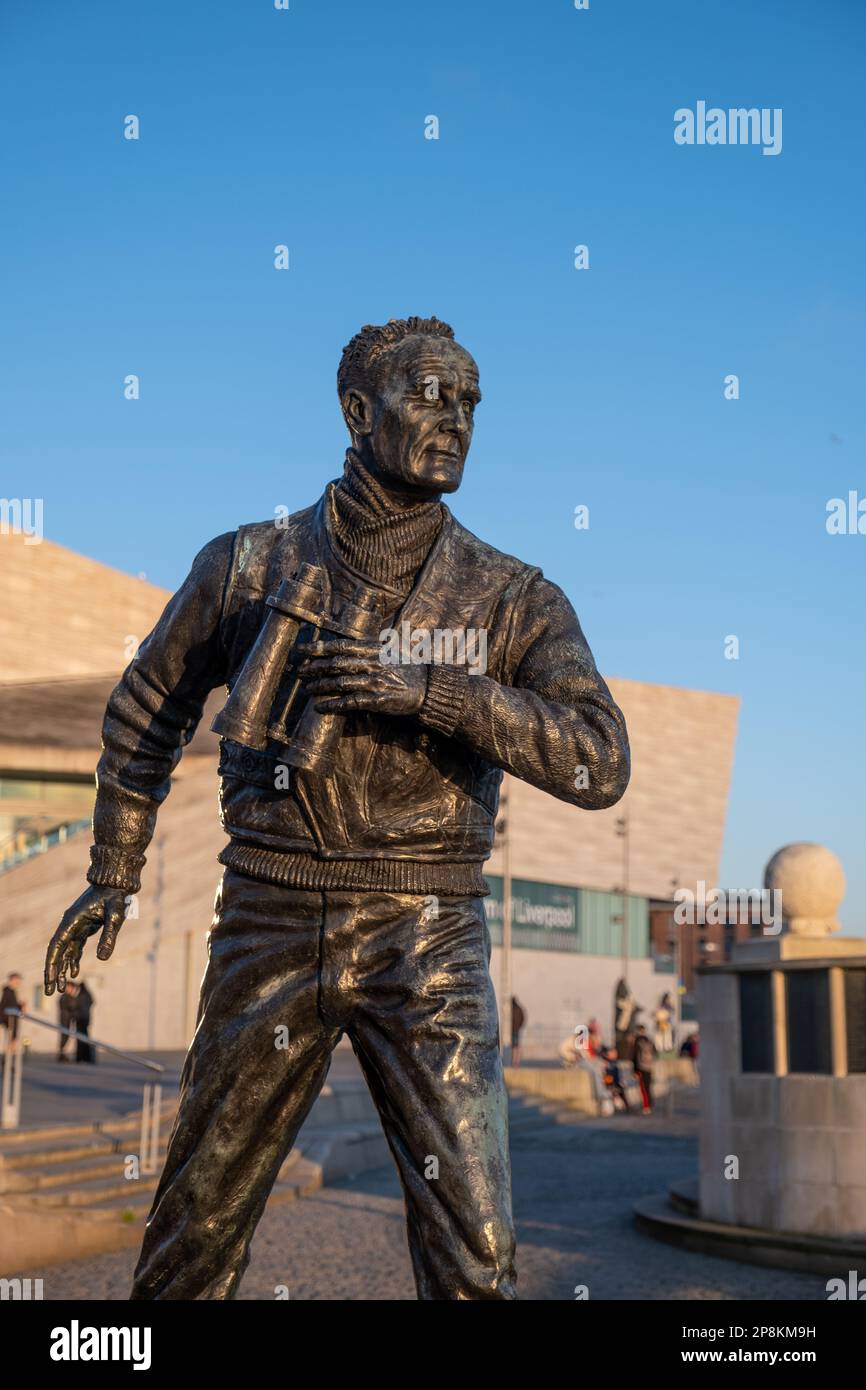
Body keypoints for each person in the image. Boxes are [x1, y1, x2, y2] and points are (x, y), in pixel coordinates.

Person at [44, 315, 630, 1302]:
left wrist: (431, 693)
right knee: (198, 1226)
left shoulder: (508, 596)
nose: (457, 419)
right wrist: (113, 867)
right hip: (270, 913)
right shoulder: (247, 564)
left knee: (473, 1252)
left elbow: (599, 759)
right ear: (357, 411)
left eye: (471, 401)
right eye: (430, 395)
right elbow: (146, 707)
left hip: (428, 926)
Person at [633, 1024, 657, 1114]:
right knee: (648, 1086)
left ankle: (646, 1106)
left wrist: (635, 1070)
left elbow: (635, 1056)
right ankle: (650, 1104)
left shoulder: (637, 1041)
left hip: (641, 1067)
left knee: (643, 1088)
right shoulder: (649, 1040)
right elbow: (655, 1052)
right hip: (649, 1066)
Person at [0, 972, 26, 1054]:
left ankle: (9, 1063)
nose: (18, 983)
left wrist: (20, 1006)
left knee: (13, 1043)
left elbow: (12, 1006)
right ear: (12, 980)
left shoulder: (11, 992)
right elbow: (4, 1007)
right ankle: (8, 1063)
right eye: (17, 981)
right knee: (10, 1044)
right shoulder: (7, 991)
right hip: (9, 1021)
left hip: (12, 1021)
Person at [74, 981, 96, 1063]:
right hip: (86, 1018)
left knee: (81, 1039)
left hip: (81, 1019)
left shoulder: (82, 996)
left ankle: (81, 1057)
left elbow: (79, 1007)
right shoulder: (88, 995)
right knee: (85, 1038)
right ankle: (85, 1057)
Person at [57, 981, 78, 1061]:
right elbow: (71, 1007)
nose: (71, 989)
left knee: (66, 1037)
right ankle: (62, 1054)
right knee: (64, 1037)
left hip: (67, 1019)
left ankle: (63, 1054)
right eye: (70, 987)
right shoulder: (65, 997)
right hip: (65, 1019)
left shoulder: (68, 997)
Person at [510, 996, 526, 1066]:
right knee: (516, 1046)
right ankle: (516, 1061)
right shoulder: (520, 1008)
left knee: (513, 1046)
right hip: (517, 1030)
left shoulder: (510, 1009)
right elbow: (523, 1018)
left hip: (512, 1030)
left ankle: (514, 1061)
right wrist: (520, 1026)